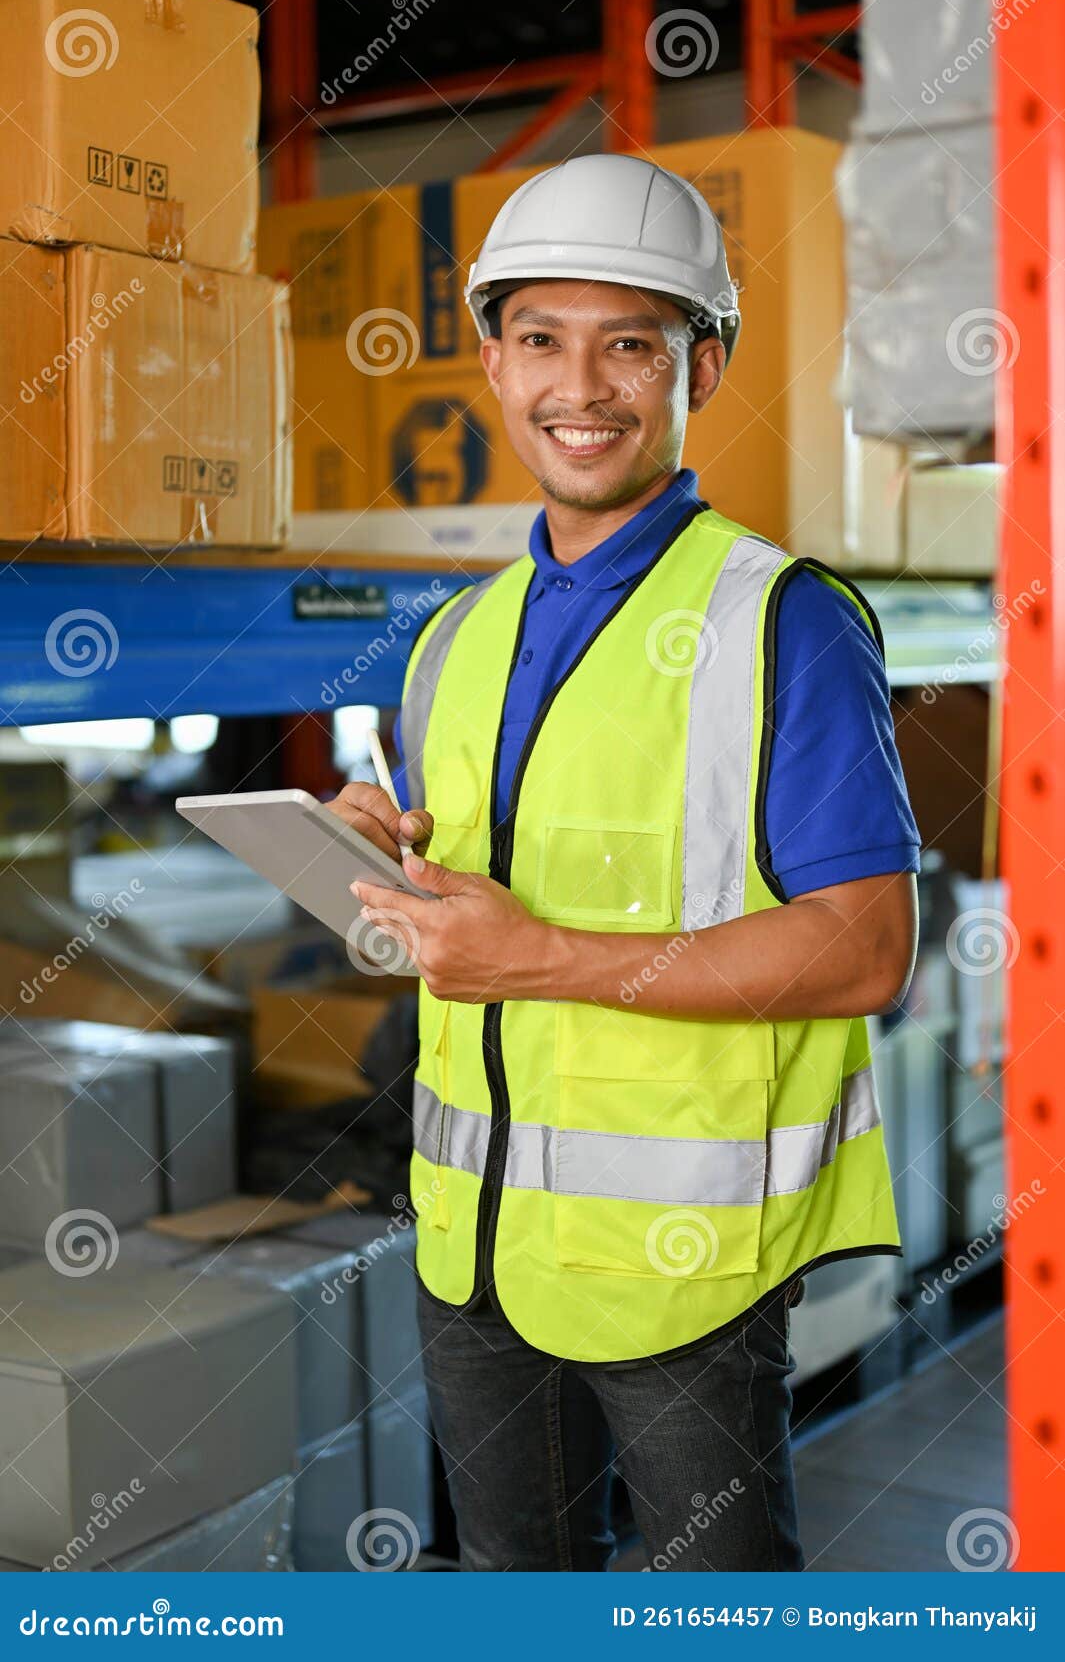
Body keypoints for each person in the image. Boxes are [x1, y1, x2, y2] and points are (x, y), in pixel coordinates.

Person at [330, 153, 921, 1572]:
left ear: (699, 365)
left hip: (682, 1270)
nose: (577, 387)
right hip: (470, 1242)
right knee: (507, 1582)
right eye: (540, 338)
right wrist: (382, 857)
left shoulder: (783, 620)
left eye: (629, 345)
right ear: (490, 359)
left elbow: (863, 950)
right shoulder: (449, 638)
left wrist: (537, 952)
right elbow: (466, 907)